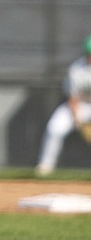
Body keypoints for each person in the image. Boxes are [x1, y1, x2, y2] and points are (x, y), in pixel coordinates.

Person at [35, 34, 91, 176]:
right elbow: (73, 99)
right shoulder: (77, 69)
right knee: (55, 128)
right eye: (89, 54)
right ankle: (45, 167)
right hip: (80, 106)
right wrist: (80, 123)